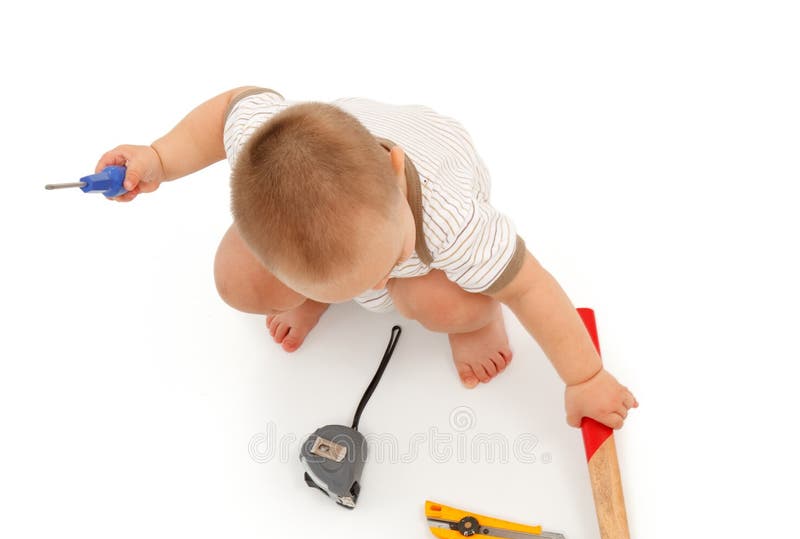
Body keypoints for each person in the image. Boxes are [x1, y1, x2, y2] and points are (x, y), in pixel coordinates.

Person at [96, 86, 637, 429]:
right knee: (237, 278)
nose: (375, 290)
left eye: (381, 270)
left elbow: (529, 288)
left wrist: (585, 377)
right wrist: (160, 158)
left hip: (430, 232)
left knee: (445, 301)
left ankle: (474, 320)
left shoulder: (456, 224)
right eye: (350, 289)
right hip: (326, 167)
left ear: (397, 172)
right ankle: (318, 285)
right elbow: (226, 111)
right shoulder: (261, 137)